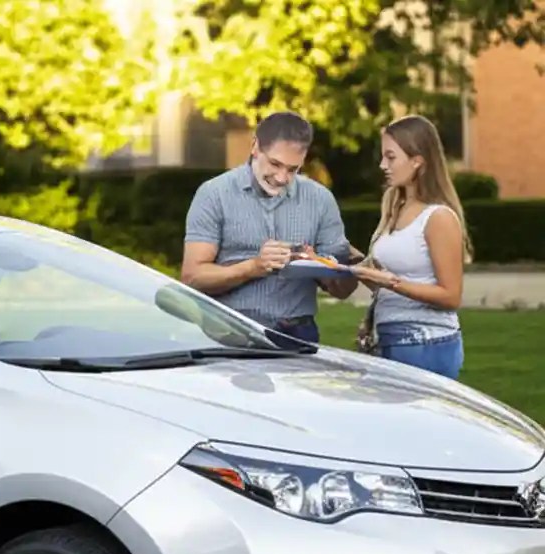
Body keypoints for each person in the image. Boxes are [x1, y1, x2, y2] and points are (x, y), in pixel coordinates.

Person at [181, 111, 359, 344]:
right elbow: (192, 277)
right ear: (255, 146)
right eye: (275, 164)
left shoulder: (320, 199)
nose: (282, 177)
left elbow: (342, 289)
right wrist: (254, 266)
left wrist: (337, 266)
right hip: (231, 331)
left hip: (299, 335)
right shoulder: (215, 194)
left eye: (293, 169)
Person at [351, 115, 472, 379]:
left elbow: (450, 296)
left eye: (391, 157)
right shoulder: (395, 206)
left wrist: (390, 282)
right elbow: (385, 279)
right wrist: (336, 262)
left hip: (425, 344)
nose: (383, 165)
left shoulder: (438, 217)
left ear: (417, 161)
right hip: (388, 338)